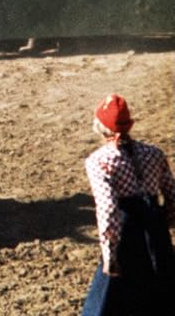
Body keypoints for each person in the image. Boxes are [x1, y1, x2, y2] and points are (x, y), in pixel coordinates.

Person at [81, 94, 175, 315]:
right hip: (155, 227)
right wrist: (164, 221)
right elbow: (172, 194)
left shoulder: (99, 161)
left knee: (109, 299)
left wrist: (109, 253)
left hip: (126, 232)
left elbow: (108, 209)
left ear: (101, 128)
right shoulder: (153, 153)